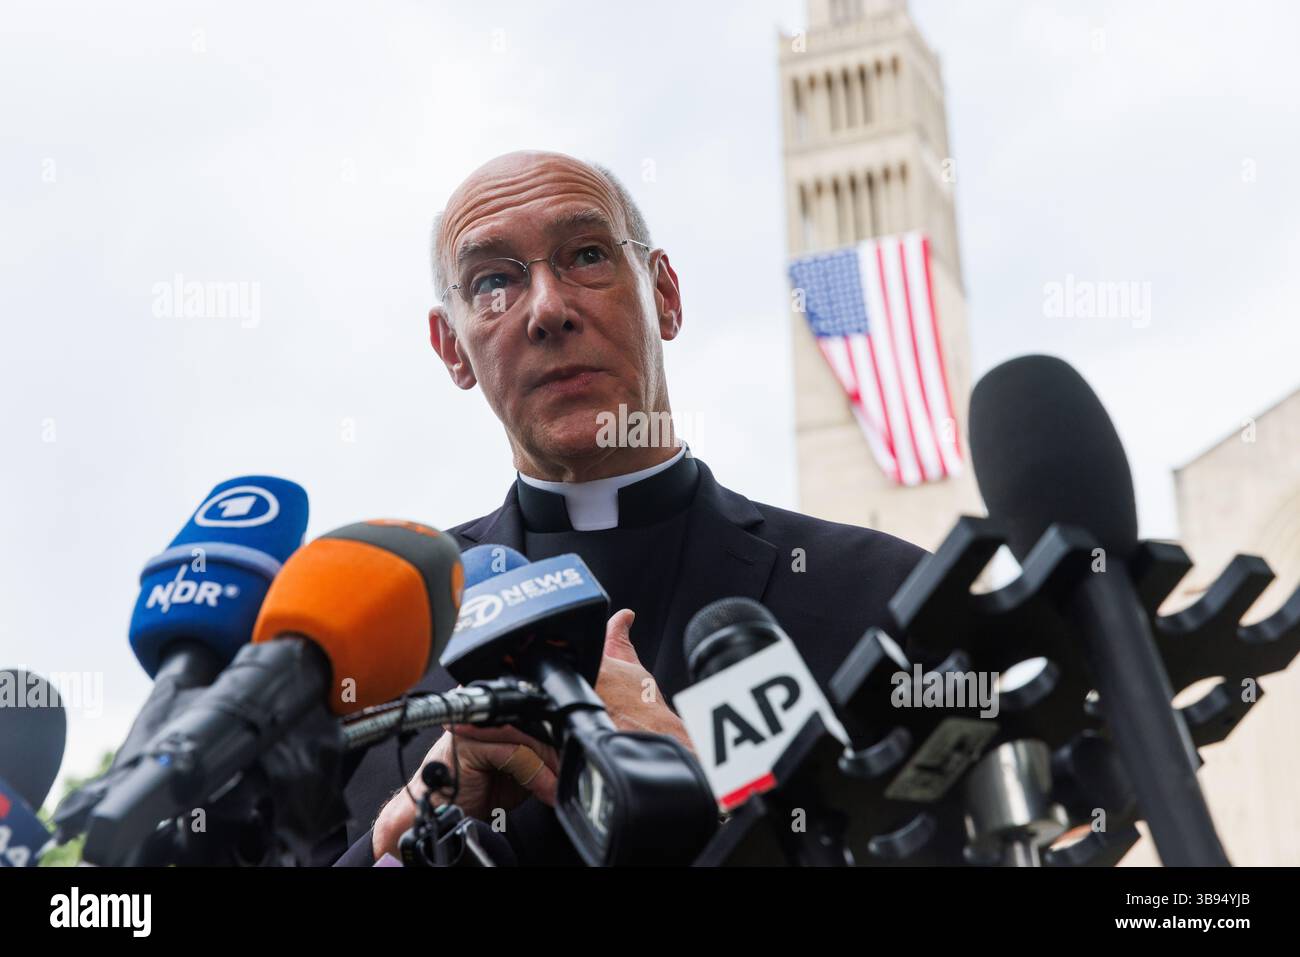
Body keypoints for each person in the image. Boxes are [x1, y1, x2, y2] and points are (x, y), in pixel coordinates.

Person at [332, 149, 926, 866]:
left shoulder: (883, 597)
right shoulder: (369, 646)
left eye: (585, 255)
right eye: (493, 281)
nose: (547, 309)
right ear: (451, 348)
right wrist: (405, 827)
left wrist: (722, 812)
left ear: (665, 294)